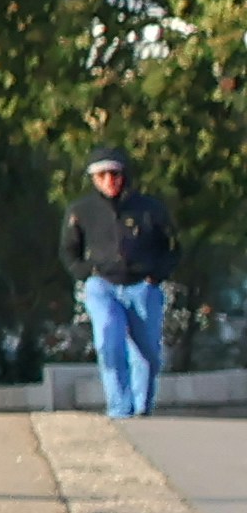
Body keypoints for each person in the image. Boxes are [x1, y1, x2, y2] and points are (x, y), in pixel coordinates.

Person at [67, 147, 177, 418]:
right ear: (93, 178)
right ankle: (119, 407)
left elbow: (173, 247)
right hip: (102, 286)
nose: (109, 181)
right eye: (101, 175)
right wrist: (86, 272)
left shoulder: (149, 209)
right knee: (108, 341)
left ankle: (141, 407)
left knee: (147, 353)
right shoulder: (81, 211)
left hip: (142, 287)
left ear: (124, 175)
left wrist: (156, 275)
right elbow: (69, 251)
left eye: (114, 174)